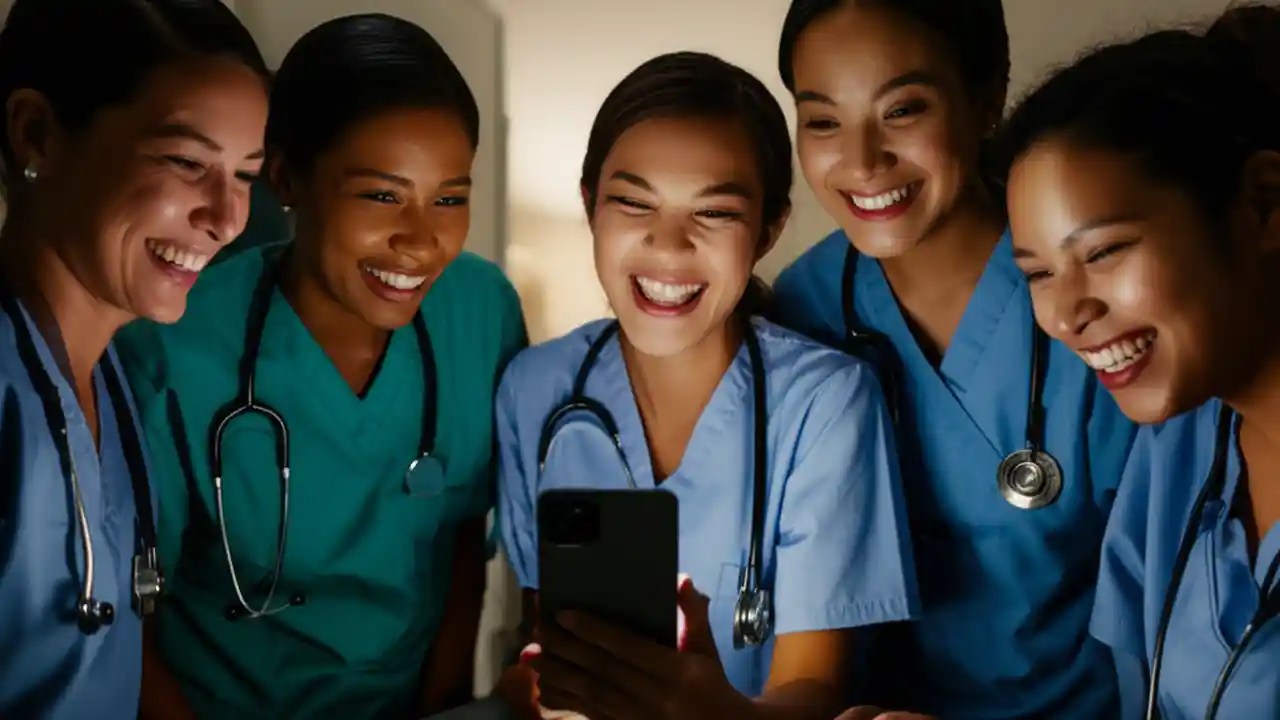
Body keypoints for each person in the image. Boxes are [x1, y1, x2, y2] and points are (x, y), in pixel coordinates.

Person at [114, 13, 526, 719]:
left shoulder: (479, 312)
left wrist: (441, 710)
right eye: (381, 194)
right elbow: (130, 621)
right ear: (288, 177)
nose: (421, 241)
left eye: (450, 198)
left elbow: (463, 539)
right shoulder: (173, 342)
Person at [494, 51, 916, 720]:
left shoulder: (826, 401)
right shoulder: (534, 388)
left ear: (768, 230)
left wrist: (715, 712)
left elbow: (813, 691)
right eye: (633, 203)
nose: (669, 247)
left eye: (714, 214)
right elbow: (547, 640)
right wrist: (531, 686)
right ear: (589, 205)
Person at [770, 1, 1139, 718]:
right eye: (822, 120)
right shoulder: (803, 311)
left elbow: (1164, 608)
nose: (862, 161)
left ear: (987, 97)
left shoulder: (1094, 299)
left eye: (902, 109)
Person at [999, 5, 1280, 718]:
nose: (1066, 314)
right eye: (1036, 273)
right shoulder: (1174, 457)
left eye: (1102, 253)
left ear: (1263, 204)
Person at [0, 0, 269, 717]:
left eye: (246, 174)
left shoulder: (112, 383)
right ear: (38, 135)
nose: (228, 217)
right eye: (186, 162)